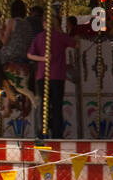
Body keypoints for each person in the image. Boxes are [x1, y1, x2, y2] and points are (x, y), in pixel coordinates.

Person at [27, 8, 78, 139]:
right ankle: (56, 134)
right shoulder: (59, 37)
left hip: (43, 75)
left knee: (43, 106)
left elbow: (30, 55)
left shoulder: (40, 37)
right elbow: (76, 44)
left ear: (45, 24)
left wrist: (42, 59)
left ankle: (42, 132)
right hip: (57, 76)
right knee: (56, 106)